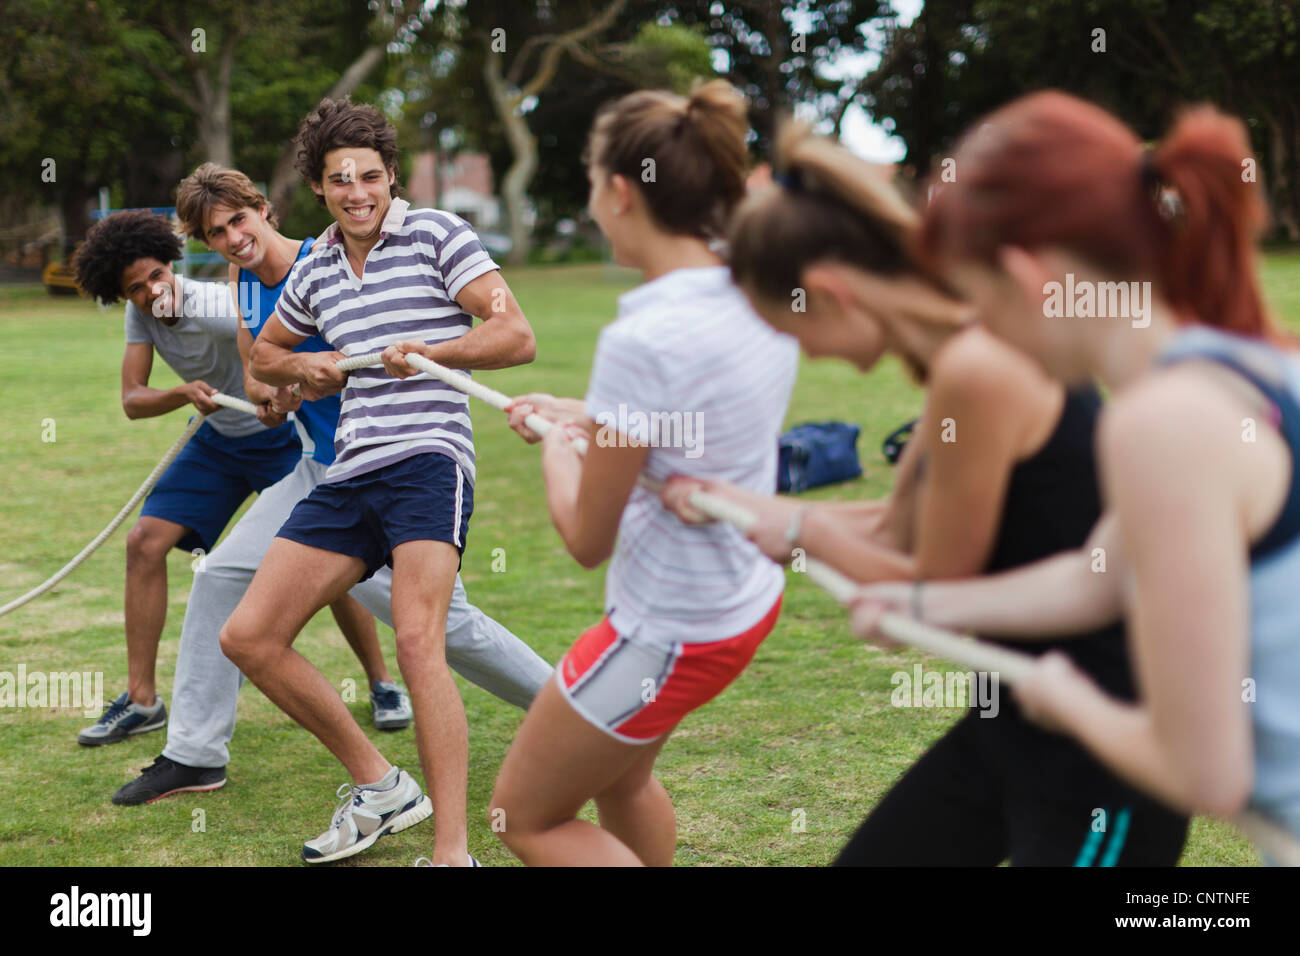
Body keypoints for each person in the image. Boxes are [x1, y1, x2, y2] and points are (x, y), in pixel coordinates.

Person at [661, 123, 1189, 865]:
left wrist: (802, 528)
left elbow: (932, 582)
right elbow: (896, 524)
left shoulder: (983, 365)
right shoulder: (960, 355)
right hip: (1010, 717)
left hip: (1101, 748)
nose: (807, 351)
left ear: (827, 294)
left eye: (791, 328)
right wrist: (733, 503)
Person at [856, 91, 1300, 855]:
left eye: (978, 301)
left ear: (1028, 275)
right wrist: (920, 600)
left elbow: (1205, 773)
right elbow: (1095, 578)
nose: (978, 336)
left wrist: (1069, 700)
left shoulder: (1161, 422)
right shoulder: (1254, 363)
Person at [111, 164, 552, 808]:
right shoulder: (247, 287)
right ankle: (195, 753)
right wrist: (277, 390)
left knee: (444, 629)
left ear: (264, 211)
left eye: (240, 219)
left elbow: (417, 334)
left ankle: (577, 715)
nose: (235, 238)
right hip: (322, 471)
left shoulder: (324, 261)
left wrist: (325, 371)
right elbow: (260, 369)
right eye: (218, 232)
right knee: (219, 577)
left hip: (387, 466)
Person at [488, 81, 800, 866]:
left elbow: (587, 537)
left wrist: (561, 447)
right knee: (621, 784)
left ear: (622, 193)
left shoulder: (647, 335)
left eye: (593, 185)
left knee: (523, 819)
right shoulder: (753, 287)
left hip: (665, 635)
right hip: (740, 605)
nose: (592, 204)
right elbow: (678, 428)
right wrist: (581, 411)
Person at [219, 97, 536, 866]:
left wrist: (434, 348)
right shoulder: (315, 265)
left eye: (369, 176)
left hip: (428, 458)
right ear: (319, 191)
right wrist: (305, 366)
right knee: (250, 637)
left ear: (392, 176)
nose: (357, 191)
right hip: (350, 470)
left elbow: (514, 334)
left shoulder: (436, 233)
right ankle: (382, 784)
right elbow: (265, 355)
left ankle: (453, 853)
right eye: (339, 180)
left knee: (423, 637)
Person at [71, 210, 300, 747]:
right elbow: (132, 400)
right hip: (217, 441)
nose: (153, 292)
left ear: (171, 264)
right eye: (136, 289)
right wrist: (182, 393)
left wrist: (275, 395)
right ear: (124, 296)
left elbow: (277, 356)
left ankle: (382, 683)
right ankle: (143, 700)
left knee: (325, 554)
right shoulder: (141, 316)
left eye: (156, 276)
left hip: (278, 442)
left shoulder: (221, 308)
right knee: (144, 542)